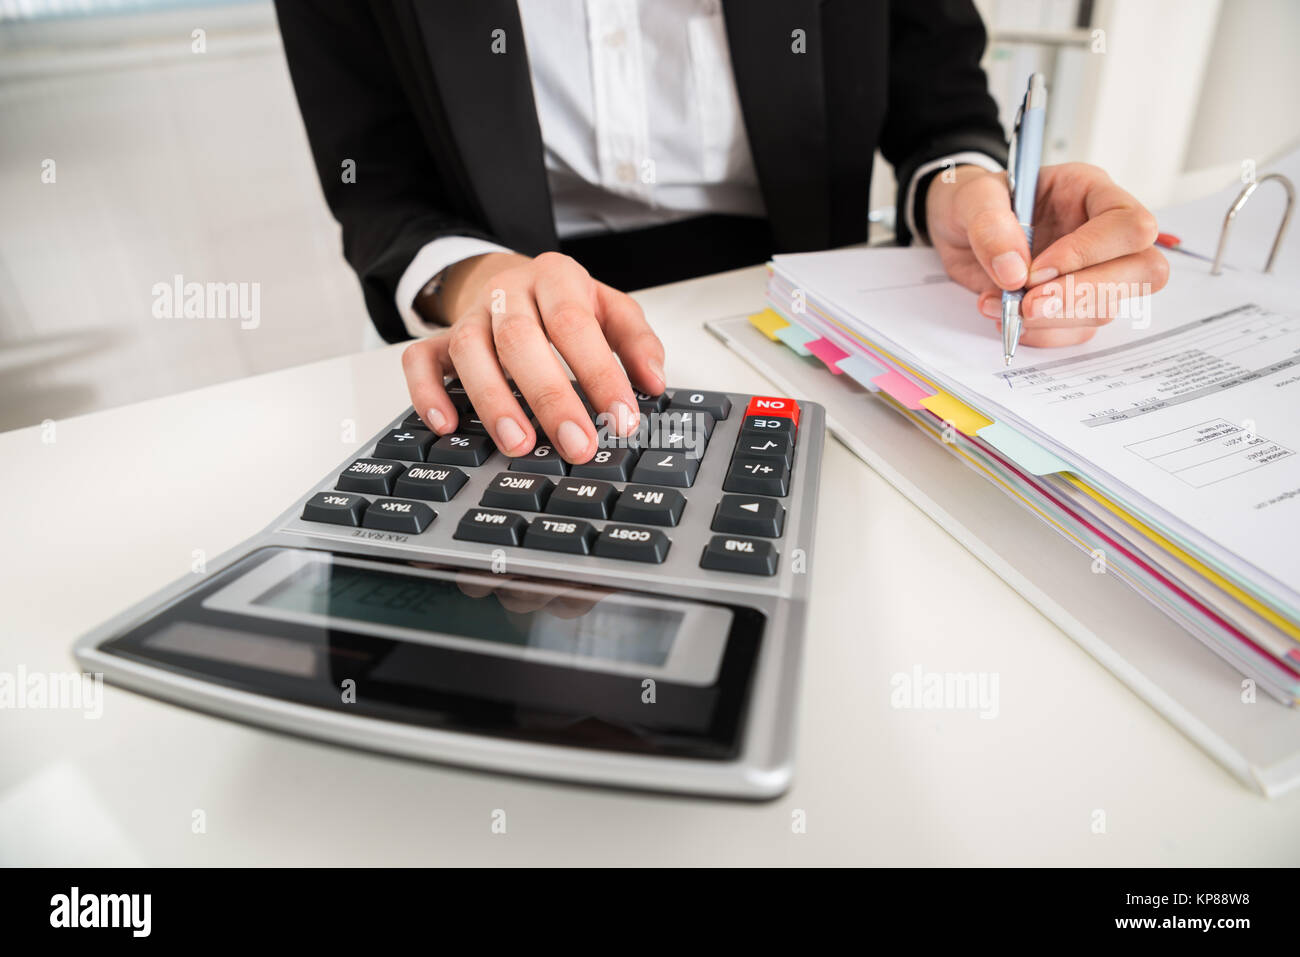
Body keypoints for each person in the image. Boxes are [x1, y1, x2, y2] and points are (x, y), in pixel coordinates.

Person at [276, 0, 1168, 464]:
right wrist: (480, 283)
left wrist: (967, 186)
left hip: (786, 286)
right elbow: (376, 184)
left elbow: (938, 97)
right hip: (510, 286)